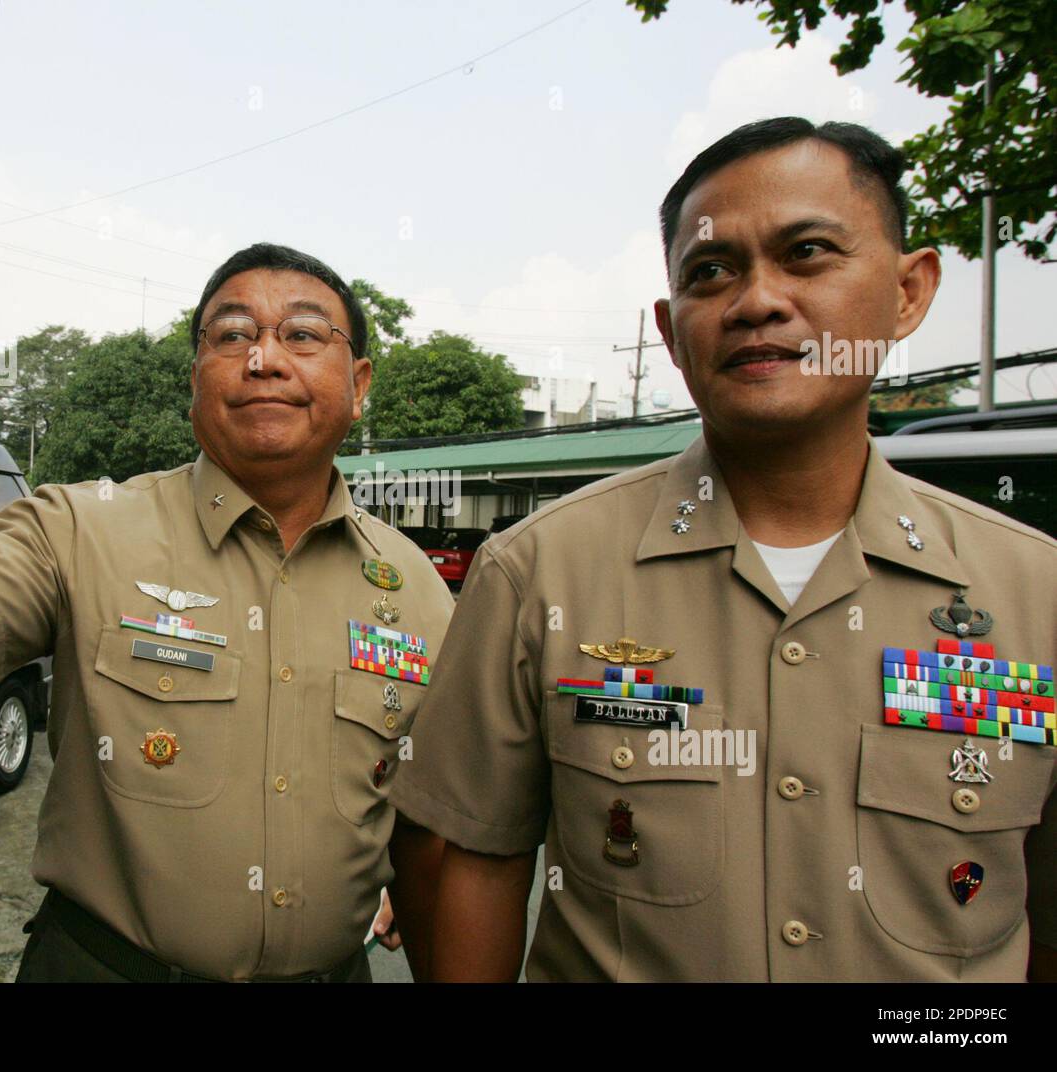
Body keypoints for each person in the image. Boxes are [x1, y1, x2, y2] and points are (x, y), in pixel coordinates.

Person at [0, 10, 452, 982]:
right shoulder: (80, 526)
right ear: (193, 377)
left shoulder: (419, 591)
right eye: (227, 334)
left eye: (303, 334)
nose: (262, 357)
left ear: (362, 381)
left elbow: (436, 827)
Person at [390, 117, 1057, 982]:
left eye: (808, 253)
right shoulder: (541, 571)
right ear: (672, 332)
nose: (757, 301)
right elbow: (474, 858)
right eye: (712, 272)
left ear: (909, 290)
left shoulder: (1036, 592)